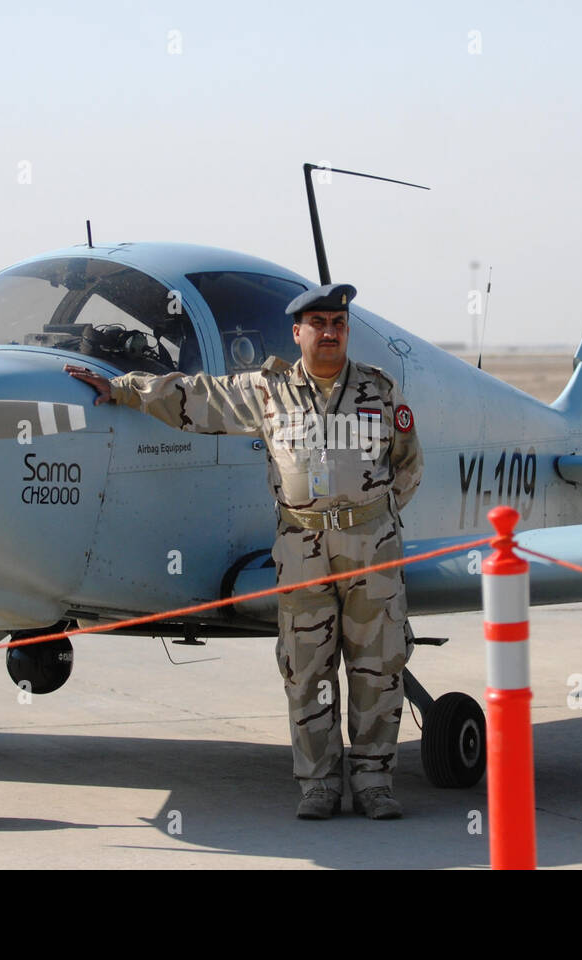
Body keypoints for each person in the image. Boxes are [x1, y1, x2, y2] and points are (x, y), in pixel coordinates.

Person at [65, 282, 423, 819]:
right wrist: (123, 389)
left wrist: (372, 518)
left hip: (372, 547)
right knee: (307, 668)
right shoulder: (267, 391)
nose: (330, 332)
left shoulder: (380, 390)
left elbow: (409, 465)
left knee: (377, 666)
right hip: (301, 546)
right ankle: (319, 785)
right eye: (319, 324)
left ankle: (374, 782)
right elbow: (193, 397)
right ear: (297, 333)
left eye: (339, 324)